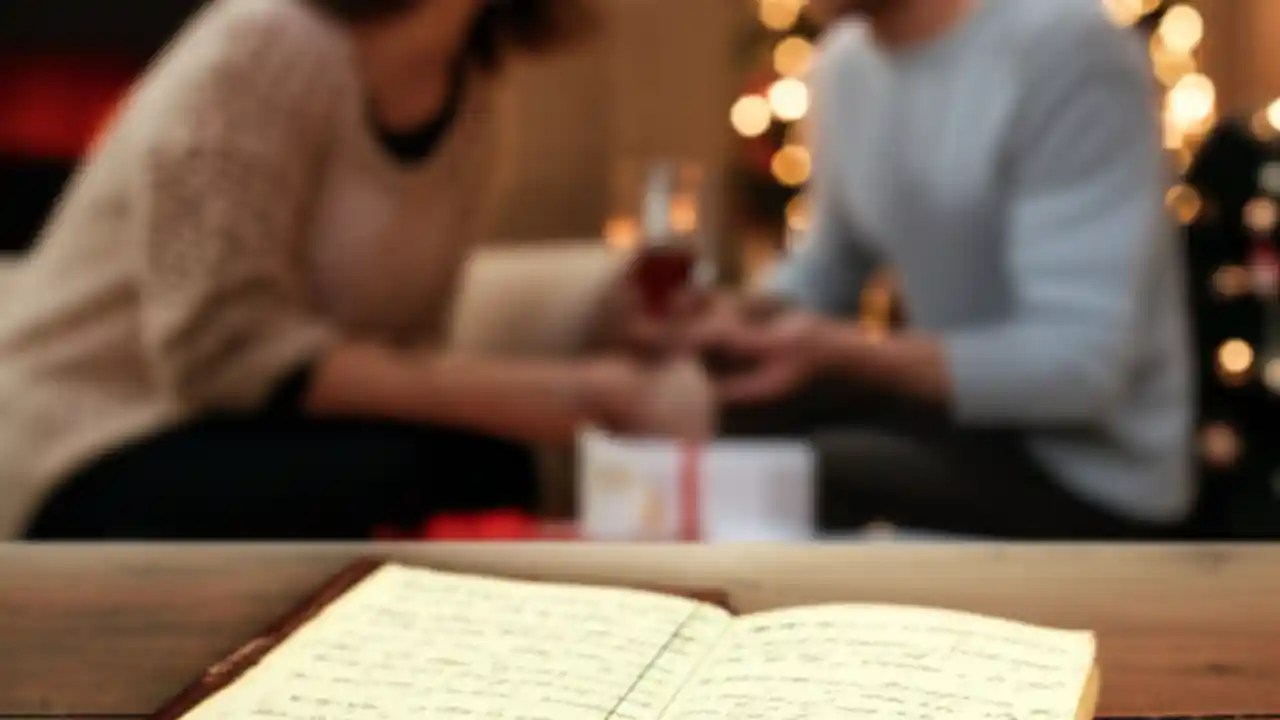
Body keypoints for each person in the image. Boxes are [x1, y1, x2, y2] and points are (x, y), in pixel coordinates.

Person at [0, 0, 712, 540]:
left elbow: (408, 350)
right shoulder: (265, 43)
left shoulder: (470, 88)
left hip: (253, 434)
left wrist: (601, 320)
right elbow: (221, 351)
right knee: (419, 473)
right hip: (86, 444)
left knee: (488, 467)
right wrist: (568, 392)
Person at [688, 0, 1194, 538]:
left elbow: (1083, 370)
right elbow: (827, 270)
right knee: (720, 424)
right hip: (956, 424)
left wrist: (842, 353)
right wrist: (735, 318)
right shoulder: (843, 65)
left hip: (1091, 475)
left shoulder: (1067, 49)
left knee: (792, 473)